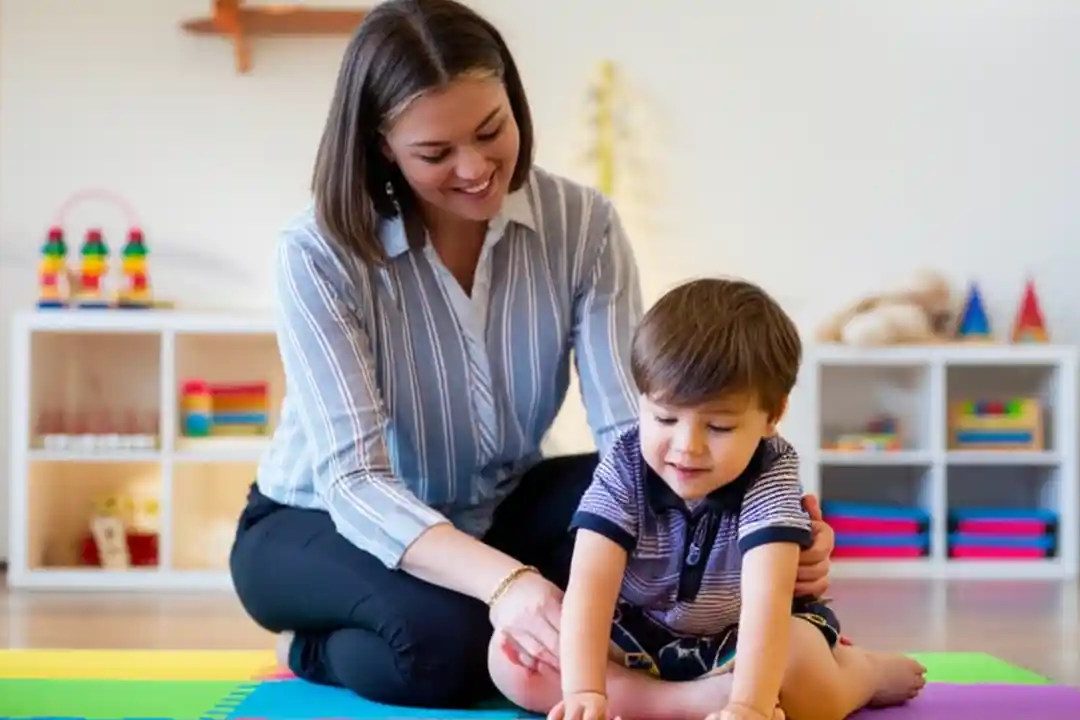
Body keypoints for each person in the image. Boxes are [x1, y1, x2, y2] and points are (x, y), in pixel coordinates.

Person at [228, 0, 835, 711]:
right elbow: (355, 479)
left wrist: (761, 528)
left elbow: (630, 435)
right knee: (449, 646)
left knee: (667, 504)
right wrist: (507, 584)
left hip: (500, 503)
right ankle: (308, 645)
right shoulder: (317, 253)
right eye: (435, 153)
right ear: (381, 145)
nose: (476, 168)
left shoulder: (583, 225)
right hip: (318, 520)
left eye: (492, 131)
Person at [490, 279, 927, 720]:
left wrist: (749, 706)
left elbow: (767, 602)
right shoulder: (623, 464)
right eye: (664, 418)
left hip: (740, 639)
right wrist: (585, 693)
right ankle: (686, 704)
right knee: (510, 658)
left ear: (771, 417)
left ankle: (864, 673)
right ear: (641, 400)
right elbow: (590, 586)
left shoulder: (770, 474)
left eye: (718, 427)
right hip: (638, 631)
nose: (687, 447)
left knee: (803, 679)